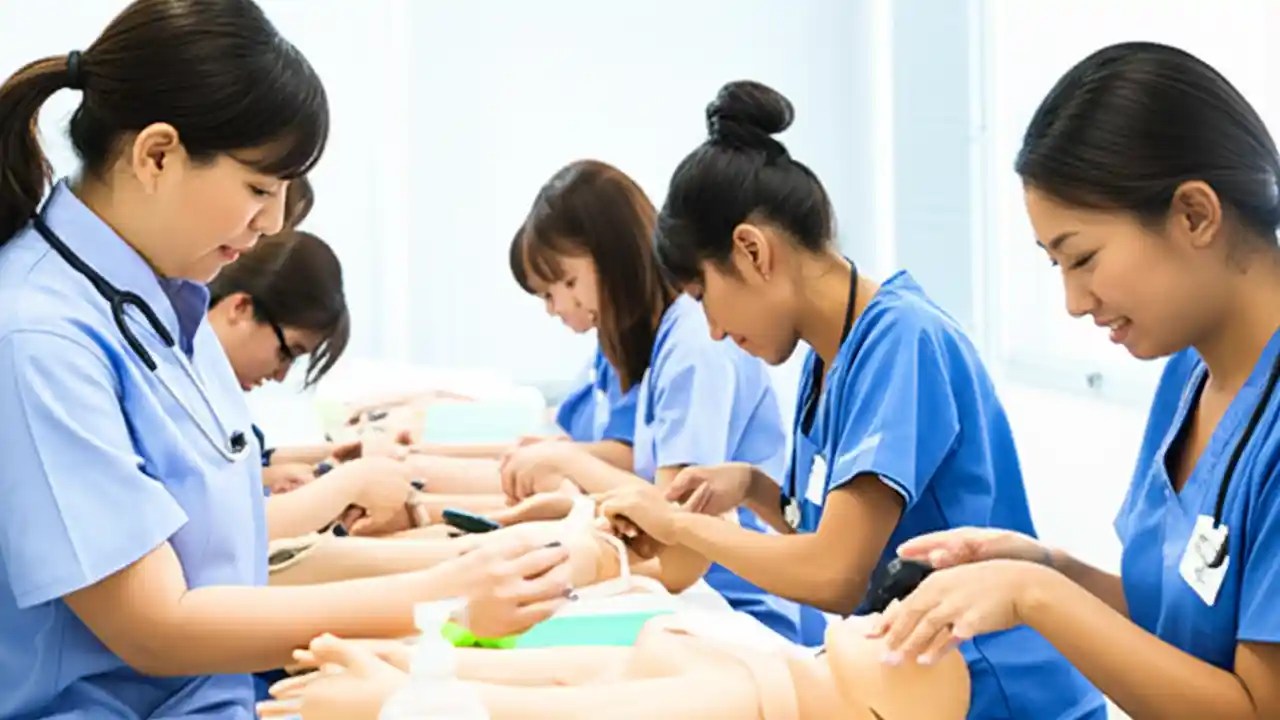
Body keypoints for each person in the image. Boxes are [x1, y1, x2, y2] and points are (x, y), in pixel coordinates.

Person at [0, 2, 572, 716]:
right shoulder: (38, 336)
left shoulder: (171, 302)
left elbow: (217, 541)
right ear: (156, 155)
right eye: (259, 189)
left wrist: (451, 572)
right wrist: (447, 598)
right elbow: (155, 628)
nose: (271, 223)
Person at [594, 80, 1104, 718]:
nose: (716, 331)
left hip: (991, 688)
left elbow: (834, 574)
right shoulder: (828, 356)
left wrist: (675, 523)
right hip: (900, 672)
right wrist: (751, 487)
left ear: (752, 252)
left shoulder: (902, 342)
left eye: (703, 298)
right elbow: (825, 530)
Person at [869, 42, 1280, 720]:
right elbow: (1178, 625)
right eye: (1055, 265)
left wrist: (1039, 598)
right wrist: (1048, 569)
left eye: (1082, 257)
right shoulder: (1189, 374)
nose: (1074, 301)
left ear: (1195, 215)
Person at [499, 159, 802, 641]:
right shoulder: (662, 339)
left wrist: (564, 462)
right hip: (677, 582)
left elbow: (672, 517)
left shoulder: (694, 344)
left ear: (614, 255)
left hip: (733, 599)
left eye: (568, 284)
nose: (560, 307)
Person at [256, 555, 970, 720]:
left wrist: (403, 699)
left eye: (909, 643)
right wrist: (421, 659)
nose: (890, 615)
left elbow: (578, 711)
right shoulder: (776, 663)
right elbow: (585, 672)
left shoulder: (756, 695)